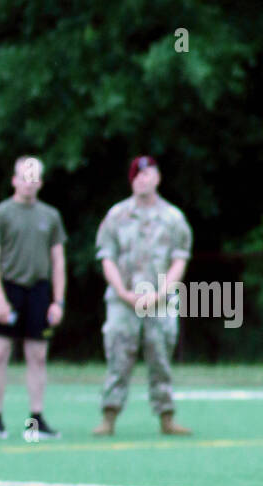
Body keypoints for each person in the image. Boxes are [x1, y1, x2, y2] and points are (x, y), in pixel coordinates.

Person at [92, 155, 193, 437]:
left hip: (159, 301)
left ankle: (167, 417)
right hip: (123, 301)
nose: (141, 179)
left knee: (160, 358)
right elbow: (106, 257)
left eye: (147, 174)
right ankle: (109, 417)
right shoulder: (116, 215)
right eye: (136, 175)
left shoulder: (173, 218)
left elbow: (179, 261)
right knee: (118, 358)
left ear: (157, 178)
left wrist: (161, 294)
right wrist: (123, 292)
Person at [0, 156, 67, 440]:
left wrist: (58, 300)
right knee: (0, 353)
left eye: (34, 177)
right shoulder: (1, 214)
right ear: (14, 179)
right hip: (9, 288)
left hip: (39, 290)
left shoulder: (50, 216)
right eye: (24, 176)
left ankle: (35, 422)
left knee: (37, 356)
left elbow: (58, 260)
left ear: (40, 182)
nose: (29, 182)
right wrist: (0, 299)